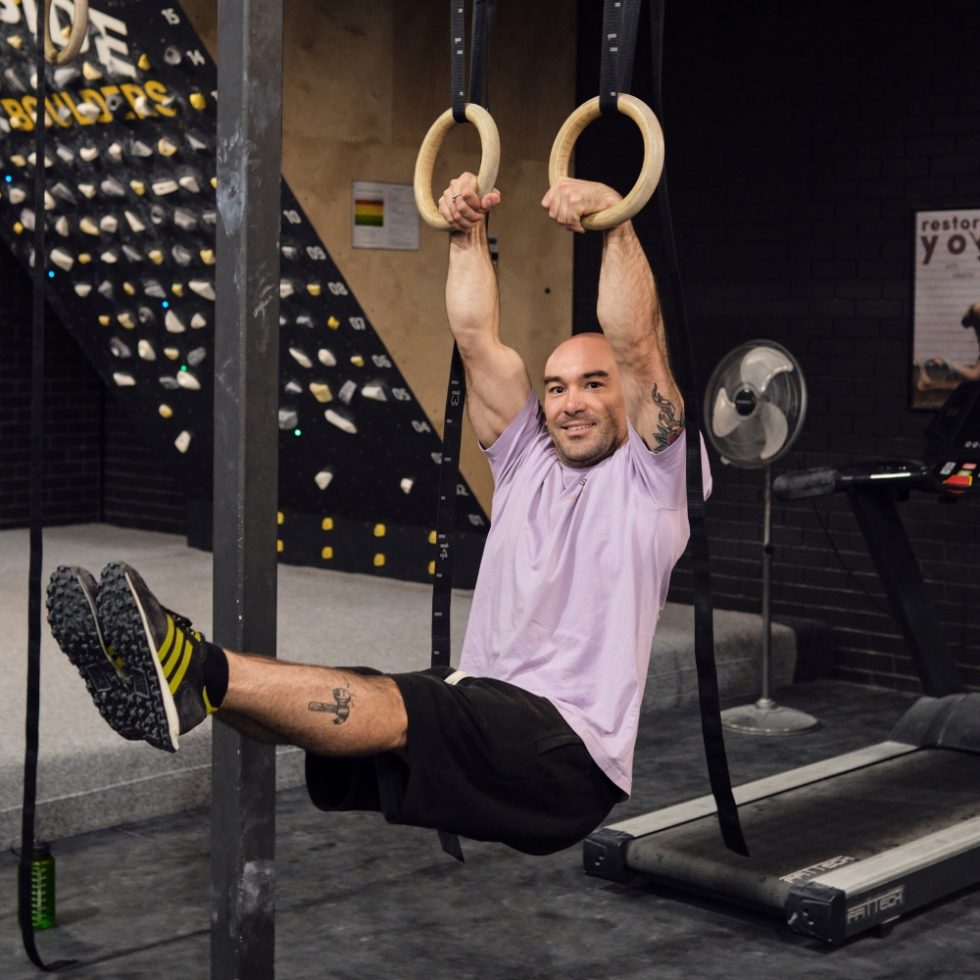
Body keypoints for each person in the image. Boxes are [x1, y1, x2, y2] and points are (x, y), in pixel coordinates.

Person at [46, 174, 703, 856]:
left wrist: (614, 223)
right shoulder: (524, 462)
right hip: (490, 710)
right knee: (349, 700)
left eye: (593, 386)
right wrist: (466, 233)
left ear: (626, 399)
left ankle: (189, 663)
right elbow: (477, 339)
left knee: (401, 709)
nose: (570, 402)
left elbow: (638, 348)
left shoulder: (653, 482)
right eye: (558, 387)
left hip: (569, 754)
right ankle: (192, 691)